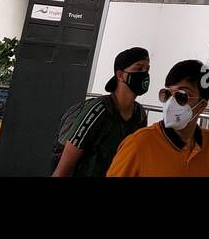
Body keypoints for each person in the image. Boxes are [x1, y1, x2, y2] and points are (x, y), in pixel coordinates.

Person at [107, 60, 209, 177]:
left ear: (201, 106)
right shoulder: (138, 144)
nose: (170, 102)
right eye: (167, 94)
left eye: (181, 95)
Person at [52, 47, 150, 177]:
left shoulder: (140, 115)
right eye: (138, 69)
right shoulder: (98, 110)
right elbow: (63, 168)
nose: (145, 74)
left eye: (147, 69)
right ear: (120, 75)